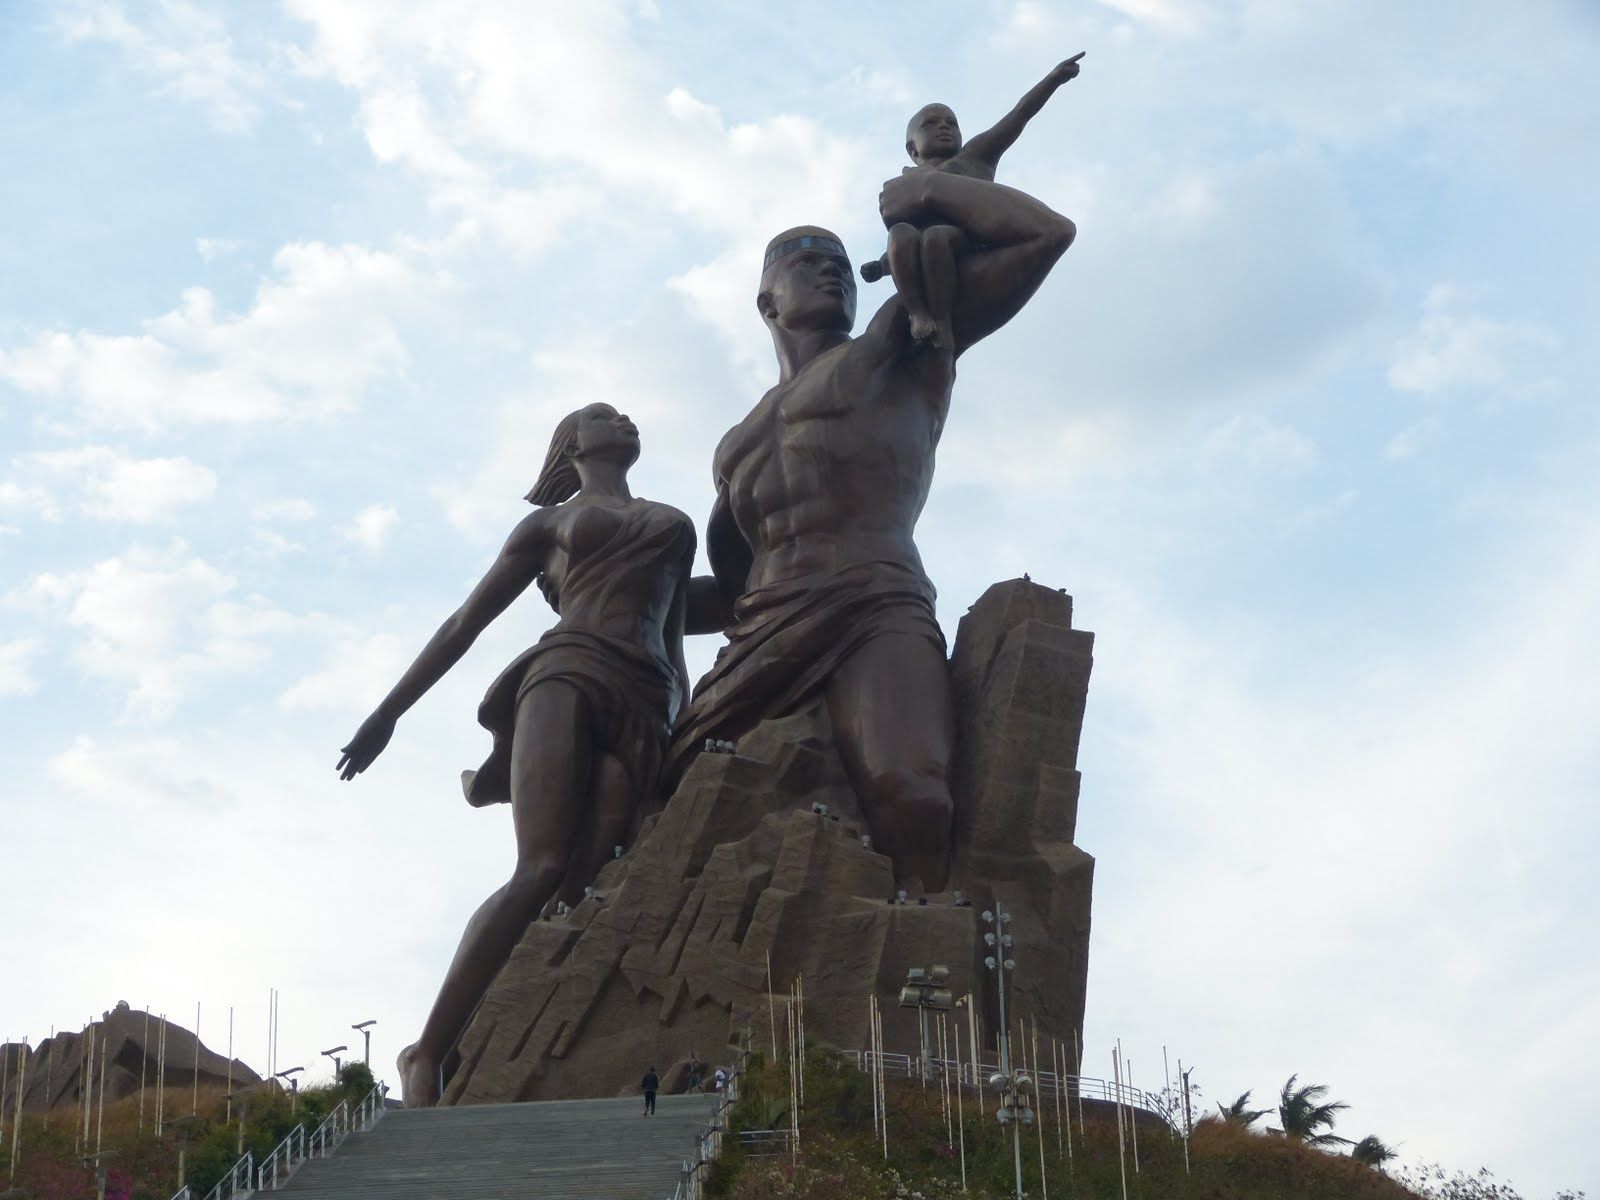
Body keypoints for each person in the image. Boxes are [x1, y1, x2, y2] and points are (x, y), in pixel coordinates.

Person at [674, 167, 1076, 893]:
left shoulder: (898, 342)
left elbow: (1045, 235)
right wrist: (614, 610)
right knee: (663, 804)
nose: (830, 269)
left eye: (839, 261)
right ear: (767, 300)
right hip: (759, 636)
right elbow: (728, 586)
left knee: (913, 796)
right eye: (806, 261)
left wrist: (932, 192)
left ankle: (921, 943)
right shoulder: (735, 444)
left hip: (872, 602)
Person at [336, 402, 696, 1107]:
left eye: (624, 414)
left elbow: (675, 636)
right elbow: (464, 623)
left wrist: (679, 728)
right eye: (604, 416)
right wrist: (388, 714)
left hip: (647, 696)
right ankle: (428, 1052)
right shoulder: (547, 526)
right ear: (572, 446)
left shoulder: (674, 524)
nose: (624, 420)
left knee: (587, 879)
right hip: (566, 671)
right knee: (541, 868)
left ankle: (509, 1039)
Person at [859, 53, 1083, 349]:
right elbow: (902, 246)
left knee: (937, 237)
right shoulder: (902, 184)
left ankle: (941, 319)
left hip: (960, 240)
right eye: (931, 124)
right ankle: (917, 313)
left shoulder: (974, 157)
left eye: (951, 123)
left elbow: (1017, 117)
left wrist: (1052, 80)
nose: (944, 127)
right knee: (901, 233)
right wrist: (880, 266)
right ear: (912, 149)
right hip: (917, 249)